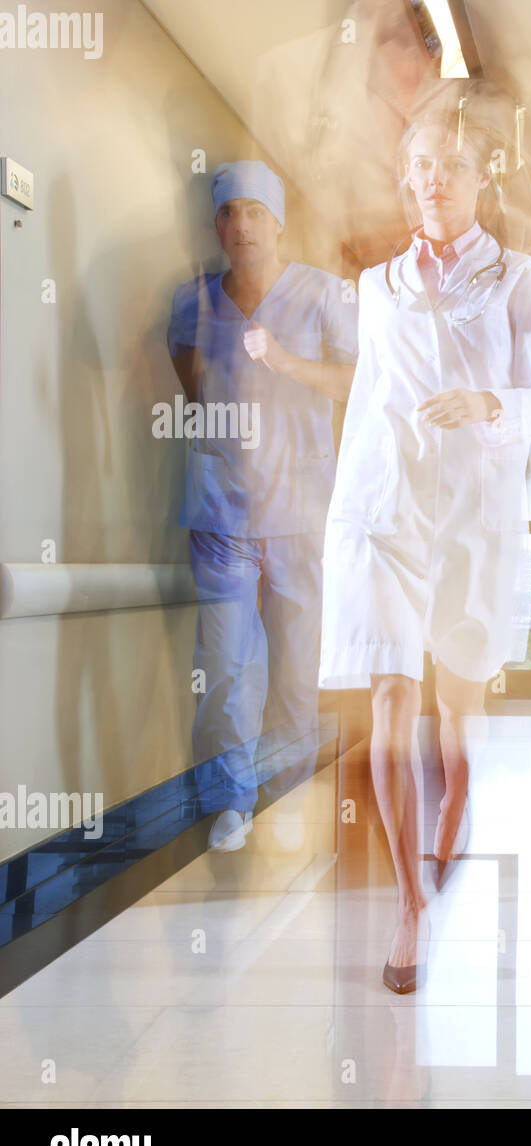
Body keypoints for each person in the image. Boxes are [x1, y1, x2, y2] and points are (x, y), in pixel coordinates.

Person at [318, 105, 531, 994]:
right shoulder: (375, 286)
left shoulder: (518, 279)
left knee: (457, 705)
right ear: (405, 175)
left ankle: (459, 792)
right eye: (420, 164)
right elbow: (367, 405)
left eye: (453, 165)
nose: (433, 179)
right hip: (386, 516)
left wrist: (490, 403)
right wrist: (347, 520)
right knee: (391, 692)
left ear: (483, 178)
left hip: (473, 517)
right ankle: (411, 904)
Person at [167, 161, 358, 853]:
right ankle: (231, 802)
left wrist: (284, 362)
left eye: (254, 211)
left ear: (278, 221)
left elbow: (357, 384)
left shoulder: (325, 297)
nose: (240, 225)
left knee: (297, 667)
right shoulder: (191, 305)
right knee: (225, 665)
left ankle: (288, 795)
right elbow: (192, 380)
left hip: (303, 510)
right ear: (215, 224)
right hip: (222, 511)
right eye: (228, 213)